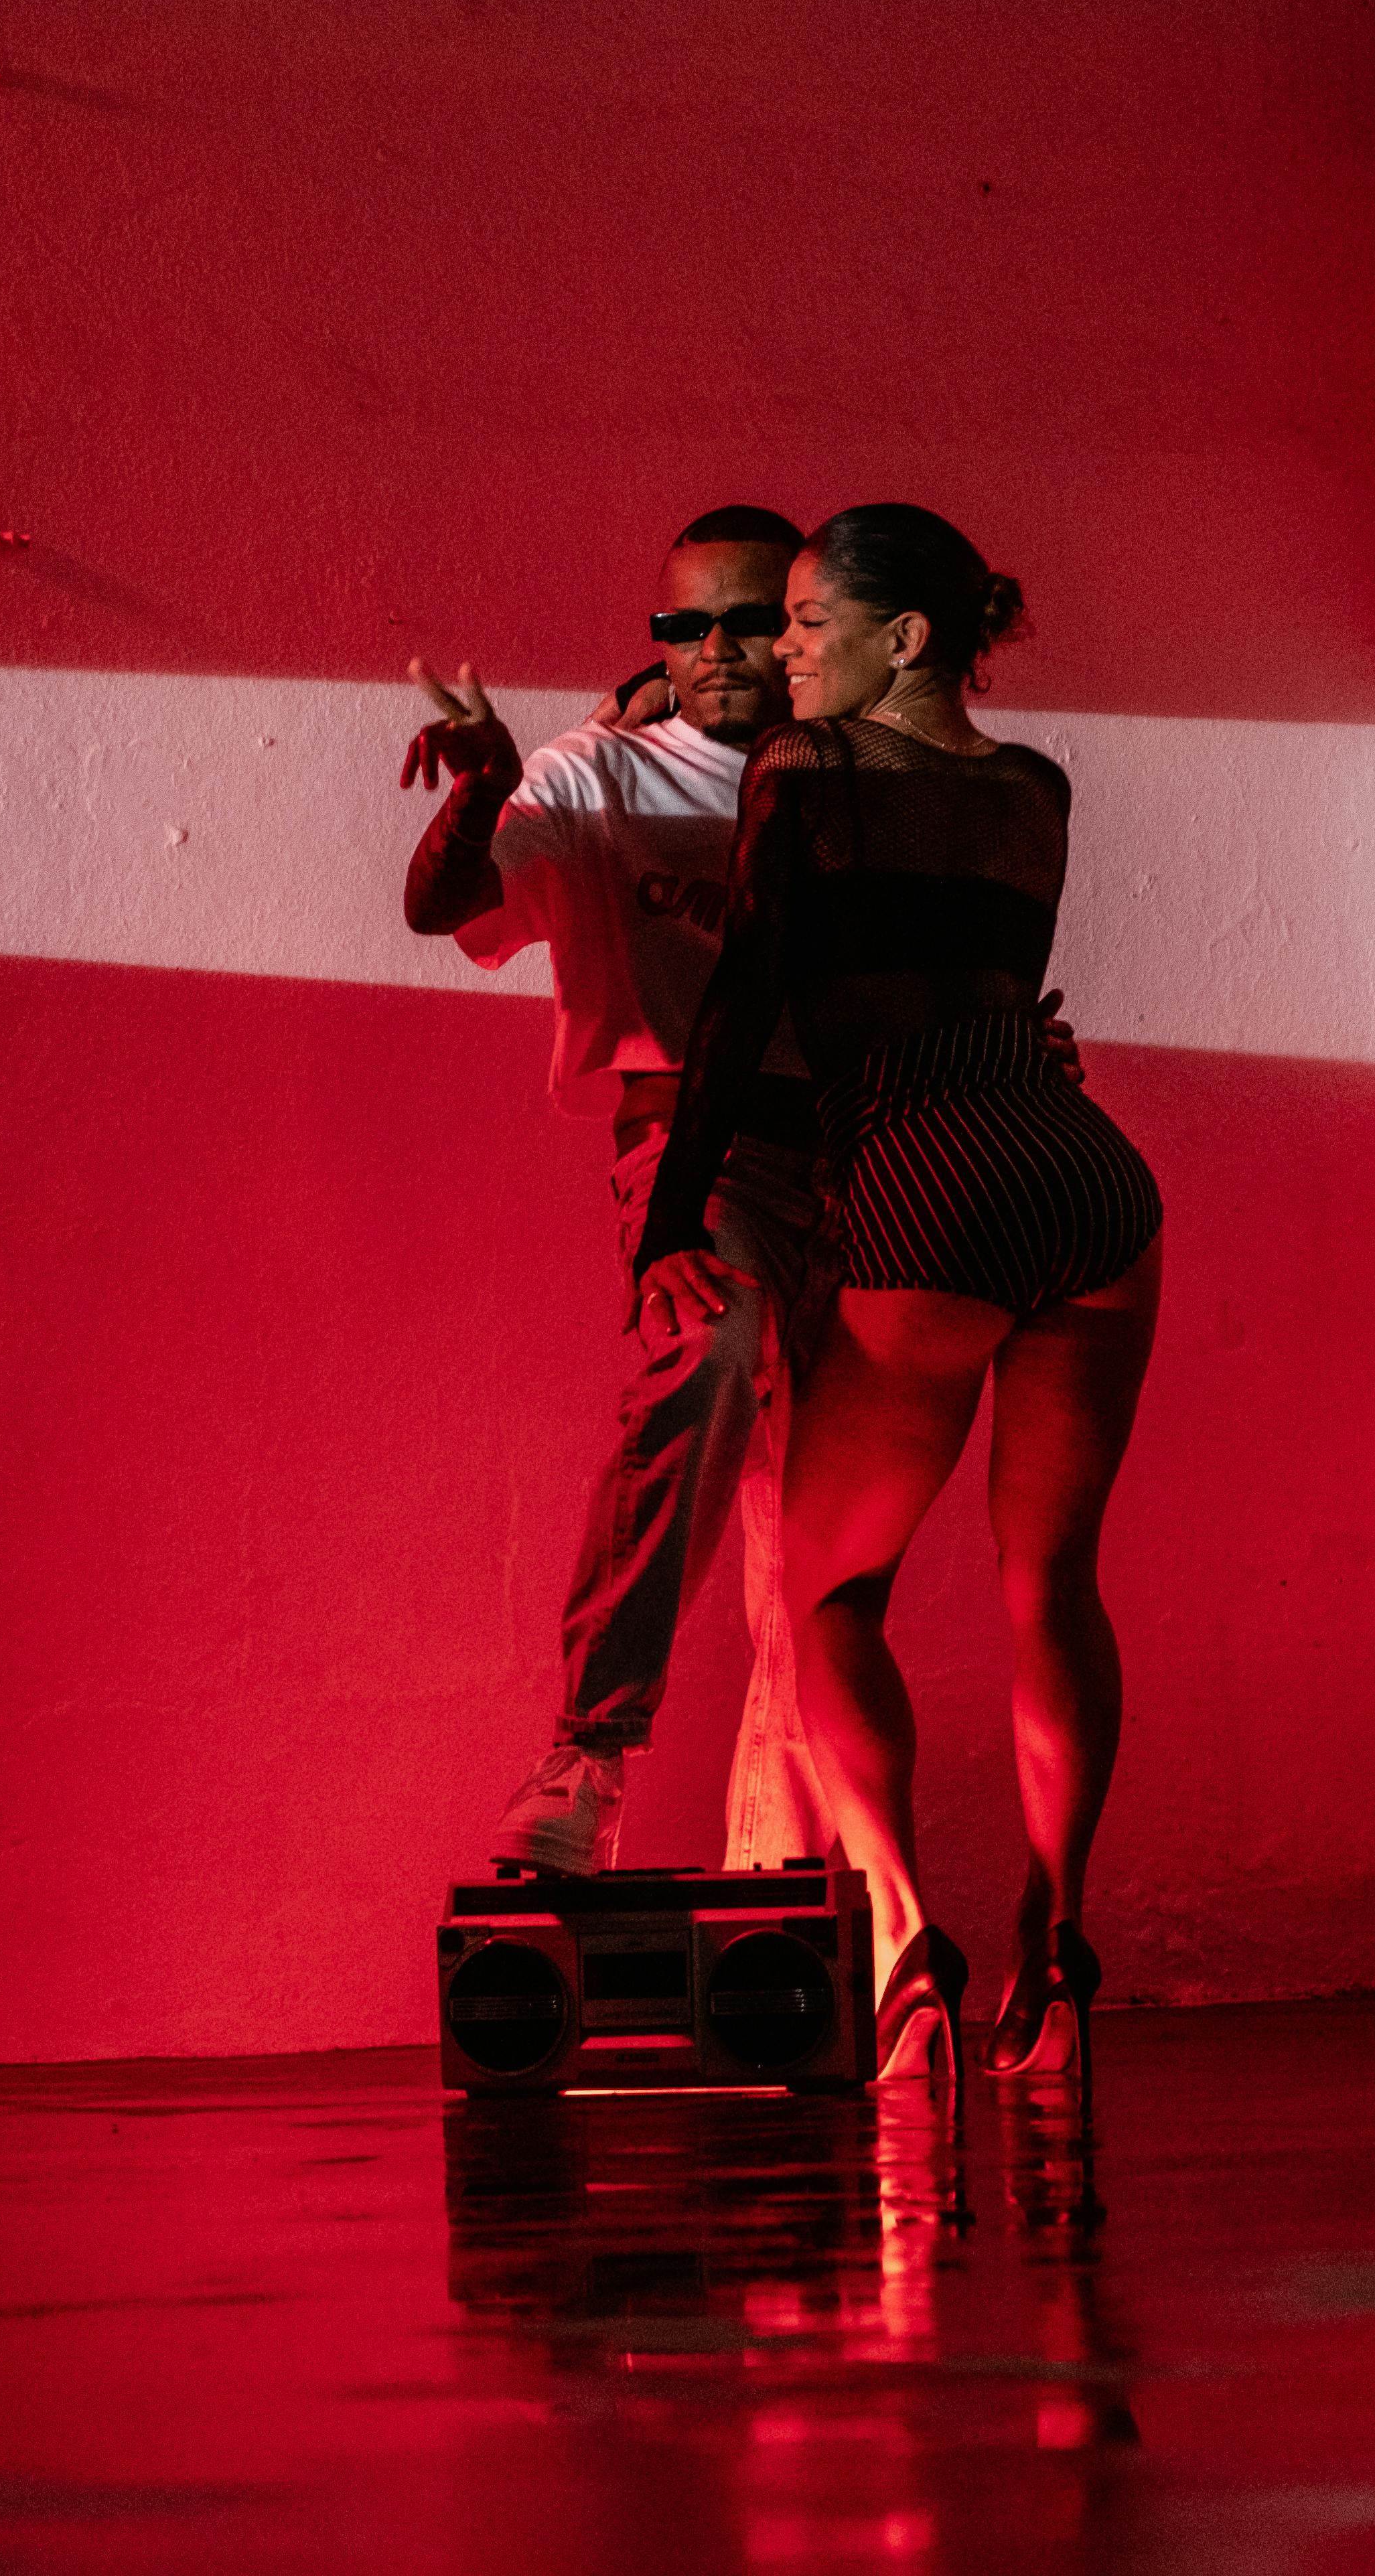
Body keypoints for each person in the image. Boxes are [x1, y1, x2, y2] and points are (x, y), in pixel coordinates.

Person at [633, 504, 1165, 2087]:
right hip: (1086, 1171)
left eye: (805, 623)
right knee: (1050, 1582)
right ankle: (1058, 1948)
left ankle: (909, 1941)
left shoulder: (814, 774)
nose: (781, 651)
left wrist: (672, 1213)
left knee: (826, 1592)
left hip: (928, 1170)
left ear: (901, 641)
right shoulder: (1035, 789)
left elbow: (745, 1002)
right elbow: (992, 982)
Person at [399, 505, 840, 1878]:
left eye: (751, 619)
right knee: (698, 1365)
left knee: (822, 1510)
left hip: (867, 1159)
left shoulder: (855, 773)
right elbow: (444, 906)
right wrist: (480, 786)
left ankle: (793, 1806)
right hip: (690, 1153)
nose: (716, 647)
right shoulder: (601, 771)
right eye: (686, 625)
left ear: (805, 625)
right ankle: (588, 1750)